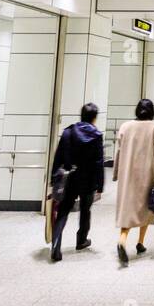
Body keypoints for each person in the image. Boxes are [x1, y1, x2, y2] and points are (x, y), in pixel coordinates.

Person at [113, 98, 154, 266]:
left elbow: (118, 153)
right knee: (147, 208)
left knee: (128, 209)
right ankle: (141, 242)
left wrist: (116, 173)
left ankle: (122, 240)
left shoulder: (125, 127)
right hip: (147, 175)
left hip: (127, 176)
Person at [49, 102, 105, 260]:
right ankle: (81, 240)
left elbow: (58, 156)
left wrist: (54, 178)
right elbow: (98, 162)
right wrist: (100, 185)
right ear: (94, 118)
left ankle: (56, 244)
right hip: (87, 179)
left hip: (69, 177)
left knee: (63, 211)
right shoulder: (96, 135)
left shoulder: (68, 132)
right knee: (85, 210)